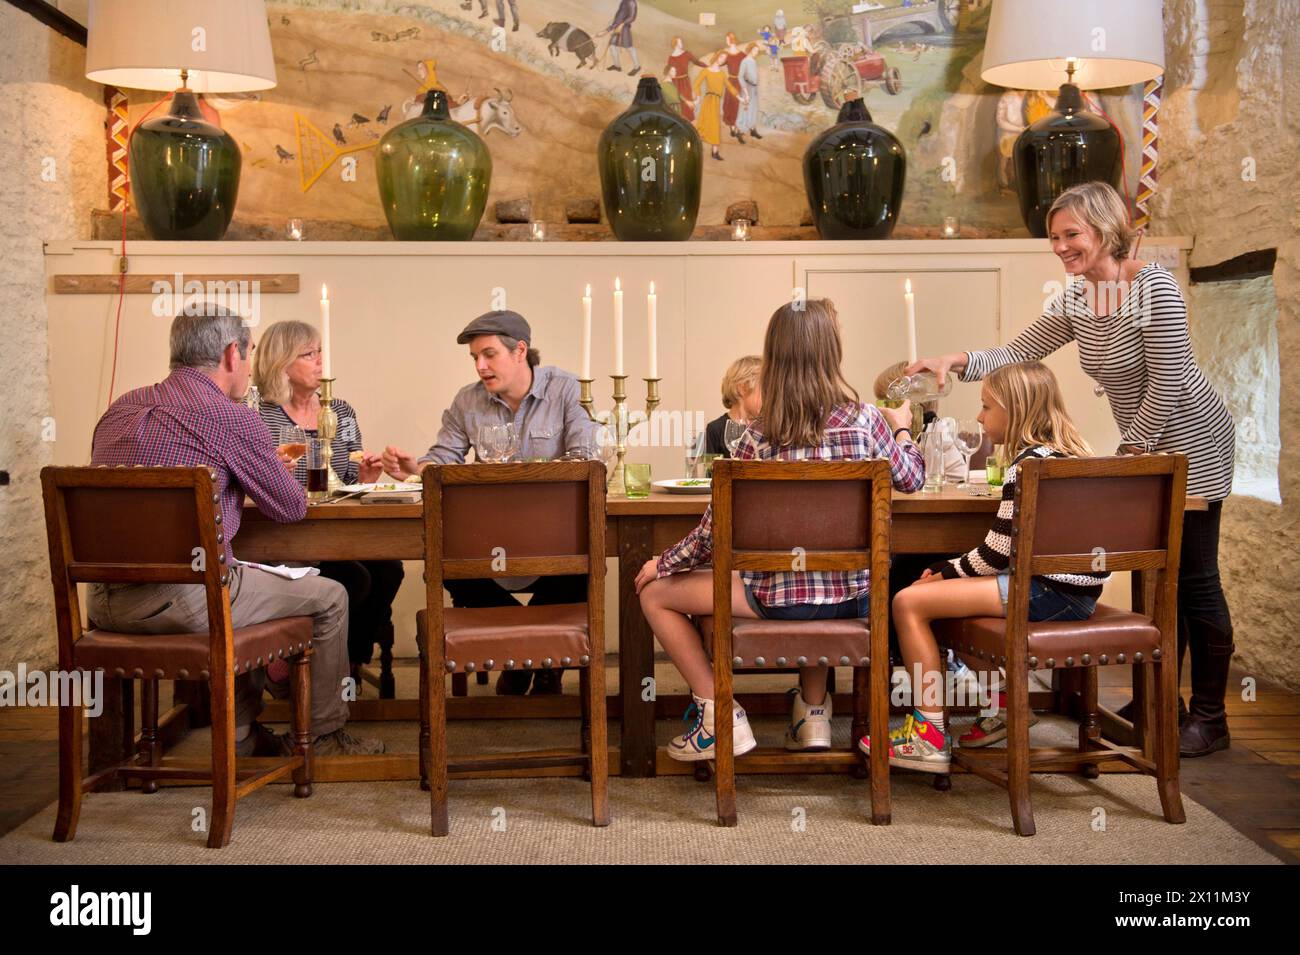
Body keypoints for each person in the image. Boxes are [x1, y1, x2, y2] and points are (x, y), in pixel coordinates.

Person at [908, 180, 1237, 758]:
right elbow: (1018, 352)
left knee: (1192, 578)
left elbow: (1168, 384)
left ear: (1107, 230)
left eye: (1071, 235)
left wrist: (1127, 461)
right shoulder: (1076, 301)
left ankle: (1210, 717)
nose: (1060, 247)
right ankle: (1166, 704)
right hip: (1142, 446)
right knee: (1156, 576)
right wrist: (952, 361)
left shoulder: (1154, 286)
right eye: (1054, 237)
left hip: (1193, 438)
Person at [85, 306, 384, 756]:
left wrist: (246, 468)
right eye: (248, 354)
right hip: (182, 600)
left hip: (103, 604)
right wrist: (260, 469)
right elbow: (288, 507)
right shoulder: (230, 416)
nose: (249, 367)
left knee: (240, 581)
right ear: (231, 354)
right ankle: (323, 735)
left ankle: (239, 735)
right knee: (330, 596)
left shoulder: (121, 408)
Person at [635, 299, 923, 761]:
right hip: (854, 596)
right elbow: (912, 479)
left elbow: (712, 535)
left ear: (773, 358)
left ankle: (720, 715)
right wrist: (903, 430)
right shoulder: (869, 421)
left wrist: (661, 564)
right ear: (832, 351)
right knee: (818, 585)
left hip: (775, 600)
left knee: (654, 593)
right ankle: (812, 716)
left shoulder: (758, 435)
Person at [861, 361, 1105, 772]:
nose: (979, 416)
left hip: (1044, 591)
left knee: (908, 601)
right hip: (1078, 594)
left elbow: (995, 554)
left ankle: (929, 734)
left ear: (1015, 410)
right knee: (944, 600)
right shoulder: (1077, 455)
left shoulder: (1027, 466)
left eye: (986, 406)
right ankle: (1005, 703)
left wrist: (944, 569)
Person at [382, 310, 598, 695]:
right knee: (445, 561)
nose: (480, 367)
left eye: (489, 354)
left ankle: (536, 664)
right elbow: (442, 459)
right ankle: (529, 651)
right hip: (493, 538)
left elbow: (585, 459)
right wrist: (416, 468)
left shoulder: (568, 389)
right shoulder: (468, 401)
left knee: (584, 558)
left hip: (553, 536)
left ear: (520, 351)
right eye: (475, 359)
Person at [252, 320, 405, 693]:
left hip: (334, 532)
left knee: (389, 570)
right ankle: (290, 661)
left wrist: (366, 476)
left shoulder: (340, 409)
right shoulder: (260, 412)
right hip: (283, 534)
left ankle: (346, 664)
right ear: (281, 362)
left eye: (320, 352)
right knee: (356, 578)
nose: (321, 361)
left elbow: (346, 480)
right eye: (309, 354)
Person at [704, 355, 761, 456]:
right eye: (764, 390)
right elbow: (709, 470)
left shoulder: (764, 429)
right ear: (742, 389)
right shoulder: (715, 430)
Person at [694, 51, 744, 161]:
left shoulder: (721, 74)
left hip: (716, 101)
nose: (722, 60)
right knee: (705, 124)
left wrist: (739, 97)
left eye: (724, 59)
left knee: (714, 125)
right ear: (716, 56)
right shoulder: (706, 71)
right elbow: (696, 84)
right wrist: (698, 97)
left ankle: (714, 152)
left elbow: (730, 87)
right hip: (708, 100)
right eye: (721, 57)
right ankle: (706, 150)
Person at [664, 37, 705, 121]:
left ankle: (689, 121)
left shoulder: (687, 54)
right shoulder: (671, 58)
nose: (682, 43)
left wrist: (707, 66)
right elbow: (669, 71)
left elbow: (696, 62)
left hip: (685, 82)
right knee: (679, 102)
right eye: (680, 42)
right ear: (676, 44)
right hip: (675, 82)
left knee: (687, 99)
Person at [598, 0, 640, 75]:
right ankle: (617, 66)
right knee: (612, 46)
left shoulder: (631, 2)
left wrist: (622, 24)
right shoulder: (624, 1)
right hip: (617, 27)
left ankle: (637, 67)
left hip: (624, 29)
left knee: (629, 48)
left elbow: (632, 17)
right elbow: (620, 15)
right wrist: (613, 24)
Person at [737, 42, 763, 140]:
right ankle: (740, 131)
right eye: (755, 50)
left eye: (757, 51)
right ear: (750, 50)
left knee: (753, 109)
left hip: (754, 88)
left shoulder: (753, 61)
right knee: (744, 110)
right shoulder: (745, 61)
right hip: (747, 88)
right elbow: (740, 77)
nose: (756, 53)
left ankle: (752, 129)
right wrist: (746, 92)